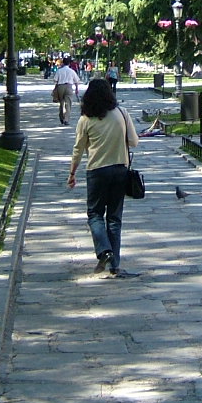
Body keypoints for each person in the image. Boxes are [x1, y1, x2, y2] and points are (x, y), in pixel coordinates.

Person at [68, 78, 139, 277]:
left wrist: (72, 172)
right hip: (120, 169)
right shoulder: (122, 114)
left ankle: (104, 250)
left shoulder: (85, 119)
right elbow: (134, 142)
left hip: (97, 171)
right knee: (115, 218)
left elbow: (78, 149)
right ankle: (114, 264)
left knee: (95, 214)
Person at [52, 58, 83, 124]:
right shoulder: (71, 71)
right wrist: (77, 89)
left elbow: (55, 80)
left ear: (63, 63)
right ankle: (66, 119)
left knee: (61, 103)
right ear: (69, 63)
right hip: (69, 86)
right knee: (68, 103)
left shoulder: (59, 71)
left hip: (60, 86)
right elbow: (76, 81)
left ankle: (61, 117)